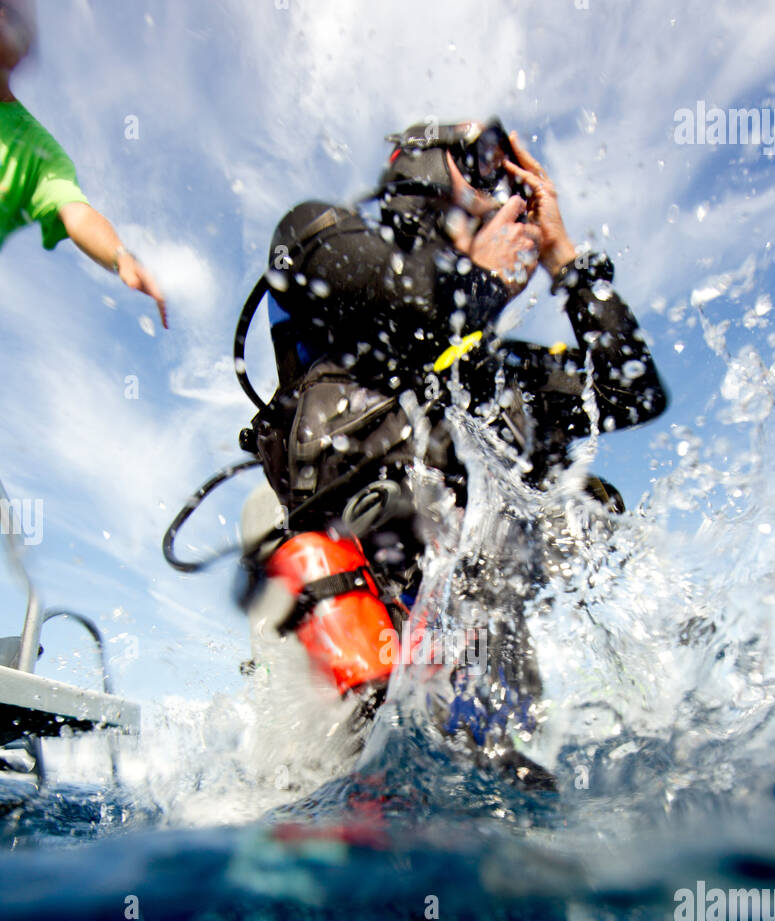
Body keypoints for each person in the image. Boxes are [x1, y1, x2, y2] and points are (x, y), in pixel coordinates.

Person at [237, 118, 666, 775]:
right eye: (481, 167)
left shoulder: (496, 374)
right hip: (339, 596)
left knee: (512, 784)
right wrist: (479, 281)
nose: (502, 196)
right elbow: (400, 293)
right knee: (322, 799)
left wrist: (568, 260)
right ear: (417, 170)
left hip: (458, 643)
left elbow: (632, 390)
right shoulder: (316, 236)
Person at [0, 1, 167, 327]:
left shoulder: (36, 149)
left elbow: (77, 213)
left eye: (11, 15)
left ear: (23, 53)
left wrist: (121, 256)